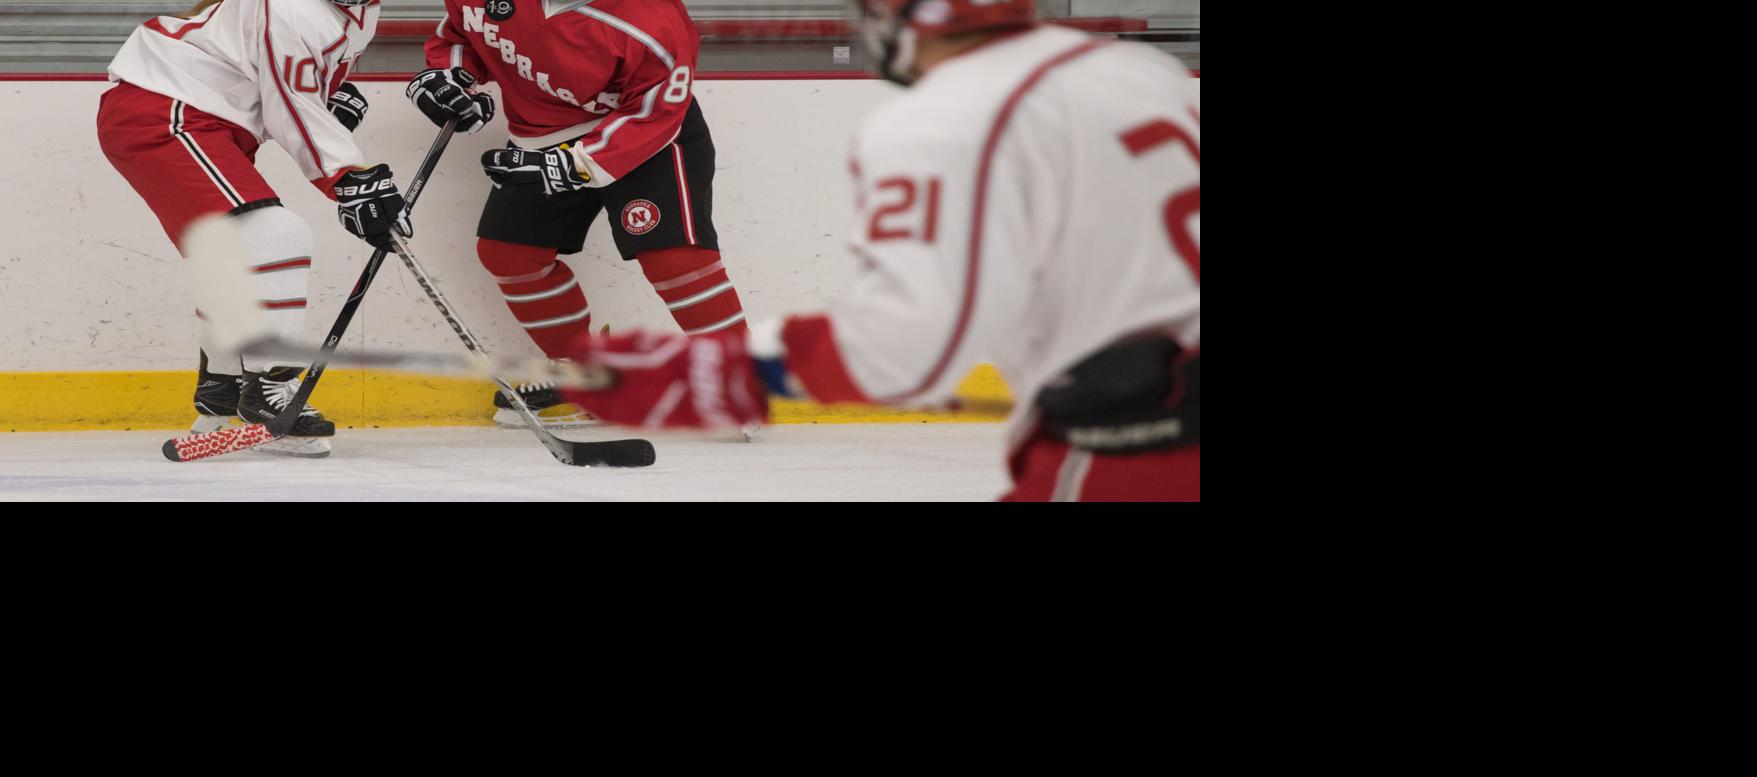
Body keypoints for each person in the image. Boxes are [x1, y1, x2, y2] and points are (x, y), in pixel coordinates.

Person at [561, 0, 1201, 501]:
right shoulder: (1134, 69)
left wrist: (722, 373)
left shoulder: (935, 124)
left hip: (1138, 427)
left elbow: (908, 348)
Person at [414, 0, 749, 429]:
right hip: (542, 136)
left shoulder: (651, 18)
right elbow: (461, 34)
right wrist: (448, 76)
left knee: (674, 258)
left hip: (647, 139)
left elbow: (657, 110)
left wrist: (573, 165)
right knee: (510, 253)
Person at [98, 0, 410, 458]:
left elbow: (288, 77)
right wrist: (350, 179)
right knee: (277, 235)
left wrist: (330, 93)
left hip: (201, 115)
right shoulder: (293, 8)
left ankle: (221, 389)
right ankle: (268, 388)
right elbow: (290, 103)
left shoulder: (359, 9)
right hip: (168, 113)